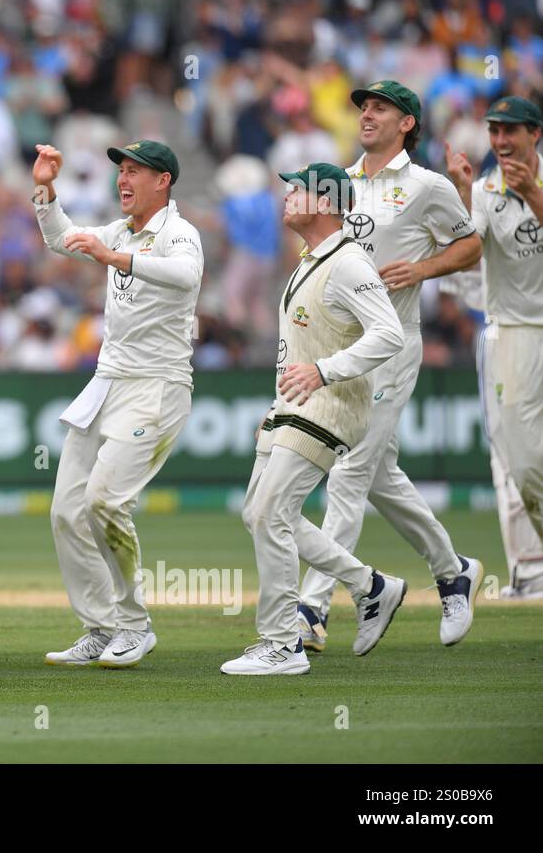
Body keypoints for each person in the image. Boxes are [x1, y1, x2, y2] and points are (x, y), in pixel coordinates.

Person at [296, 81, 484, 652]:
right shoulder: (340, 182)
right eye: (363, 107)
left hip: (394, 345)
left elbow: (471, 246)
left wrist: (422, 269)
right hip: (342, 348)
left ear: (407, 123)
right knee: (378, 476)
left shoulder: (427, 186)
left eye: (380, 108)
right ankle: (453, 570)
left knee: (349, 472)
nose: (367, 114)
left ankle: (311, 609)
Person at [222, 164, 407, 676]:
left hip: (330, 406)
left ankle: (284, 644)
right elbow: (300, 349)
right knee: (258, 512)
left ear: (325, 202)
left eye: (296, 189)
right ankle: (371, 586)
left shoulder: (348, 262)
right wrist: (276, 407)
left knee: (270, 514)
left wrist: (325, 371)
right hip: (295, 406)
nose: (285, 196)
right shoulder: (312, 258)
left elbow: (389, 334)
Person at [32, 138, 203, 669]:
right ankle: (101, 626)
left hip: (156, 386)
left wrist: (118, 258)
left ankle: (133, 626)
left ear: (163, 181)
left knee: (104, 502)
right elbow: (61, 239)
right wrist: (46, 191)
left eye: (135, 171)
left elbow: (188, 275)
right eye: (121, 171)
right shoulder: (120, 230)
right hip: (107, 383)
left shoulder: (178, 233)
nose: (123, 180)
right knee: (66, 511)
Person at [447, 95, 543, 598]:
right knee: (517, 463)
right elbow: (466, 255)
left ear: (535, 135)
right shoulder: (486, 190)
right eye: (494, 131)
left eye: (511, 130)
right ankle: (531, 570)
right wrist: (464, 194)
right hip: (511, 332)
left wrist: (534, 195)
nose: (501, 140)